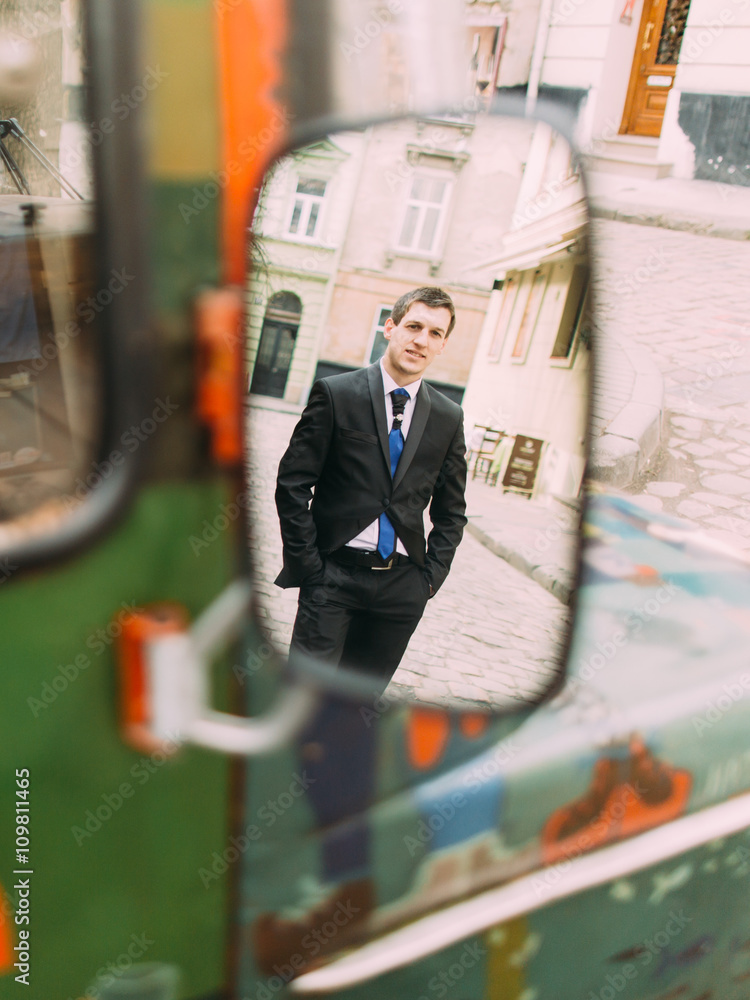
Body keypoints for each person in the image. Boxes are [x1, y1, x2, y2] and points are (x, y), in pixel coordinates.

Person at [274, 285, 467, 690]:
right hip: (333, 577)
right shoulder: (337, 394)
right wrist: (310, 567)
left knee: (358, 707)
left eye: (435, 333)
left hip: (401, 589)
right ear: (390, 327)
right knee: (302, 698)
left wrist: (429, 579)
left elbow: (451, 512)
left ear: (443, 345)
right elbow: (293, 484)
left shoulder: (448, 417)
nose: (421, 340)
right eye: (414, 326)